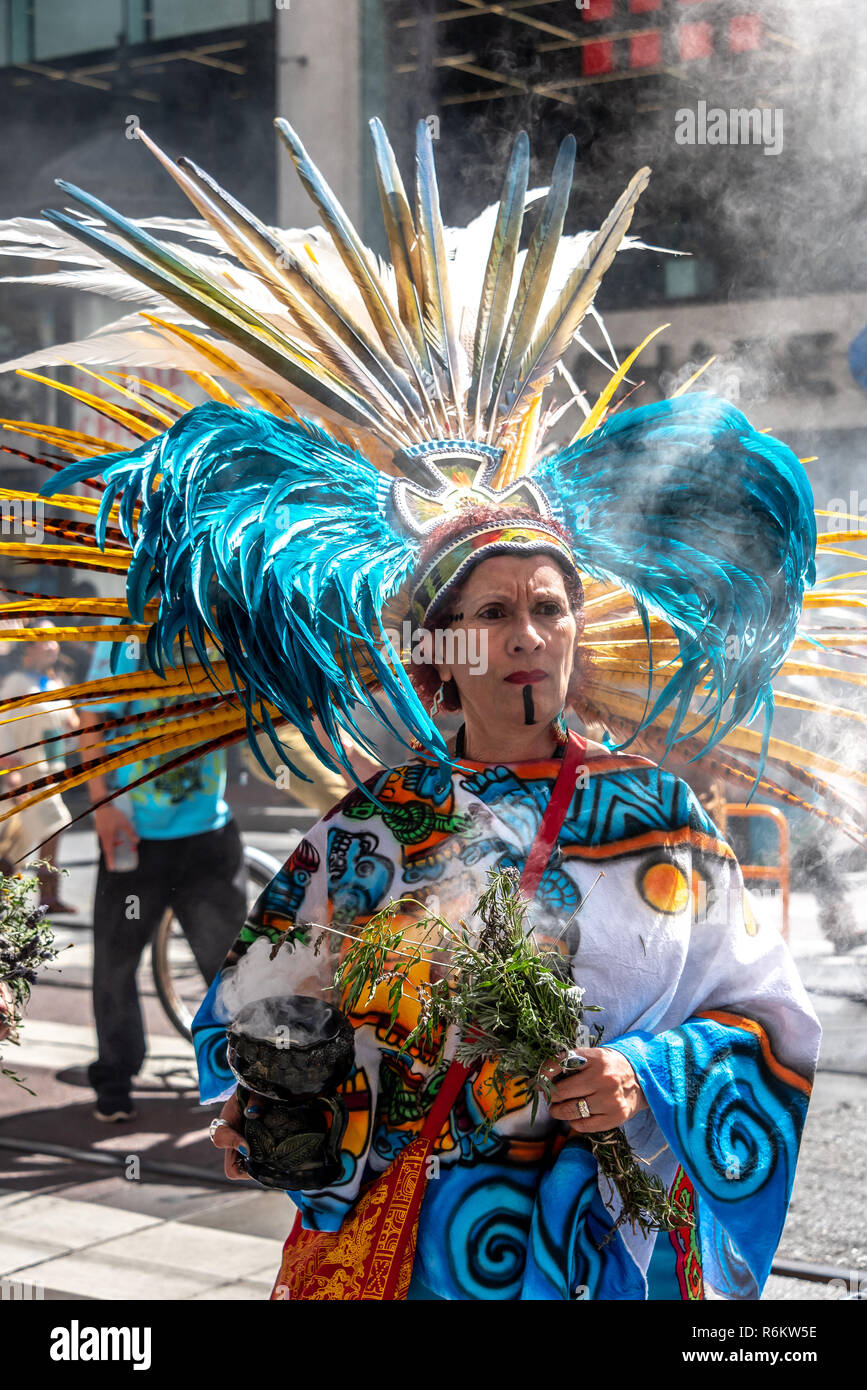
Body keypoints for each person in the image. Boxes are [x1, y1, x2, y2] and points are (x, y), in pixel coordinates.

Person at [0, 118, 858, 1297]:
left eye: (549, 607)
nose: (531, 636)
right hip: (402, 1251)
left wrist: (646, 1078)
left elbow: (768, 1017)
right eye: (496, 613)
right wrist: (272, 1106)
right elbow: (249, 1016)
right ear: (443, 656)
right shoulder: (375, 827)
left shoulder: (661, 817)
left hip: (593, 1252)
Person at [80, 637, 248, 1122]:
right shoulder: (126, 635)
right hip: (137, 835)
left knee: (230, 971)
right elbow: (91, 721)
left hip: (209, 836)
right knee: (116, 962)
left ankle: (246, 1080)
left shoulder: (219, 627)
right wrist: (104, 808)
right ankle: (115, 1075)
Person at [0, 620, 79, 906]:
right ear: (27, 648)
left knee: (23, 839)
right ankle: (37, 896)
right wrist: (11, 770)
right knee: (41, 830)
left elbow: (69, 724)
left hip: (51, 772)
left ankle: (42, 896)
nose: (52, 645)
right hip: (26, 774)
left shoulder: (54, 681)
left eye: (54, 638)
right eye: (44, 639)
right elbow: (4, 727)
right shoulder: (16, 683)